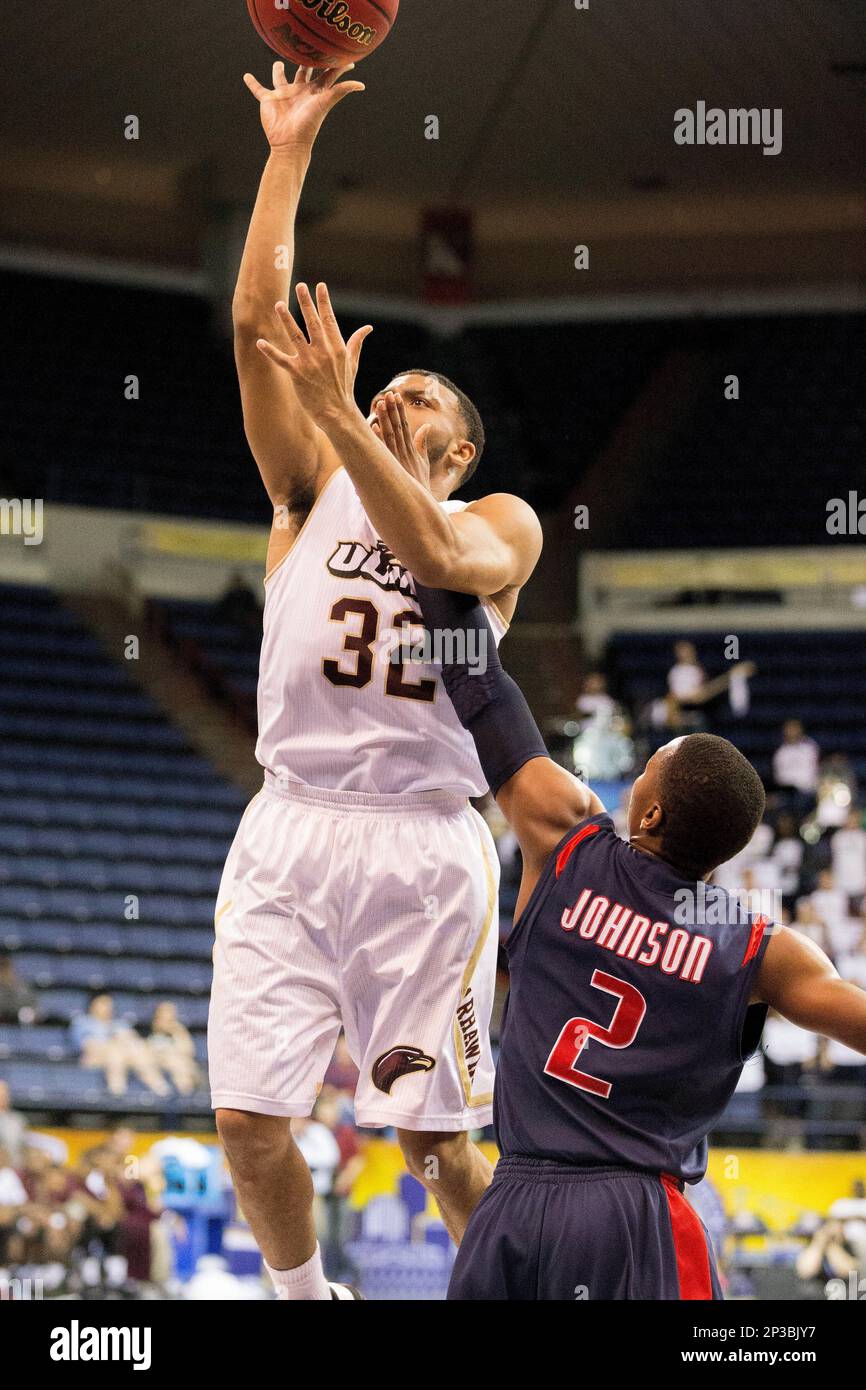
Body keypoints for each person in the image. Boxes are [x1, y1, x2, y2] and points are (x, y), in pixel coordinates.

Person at [211, 60, 543, 1301]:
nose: (388, 400)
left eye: (417, 403)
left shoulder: (499, 523)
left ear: (457, 449)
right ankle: (307, 1303)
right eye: (382, 387)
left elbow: (440, 553)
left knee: (436, 1148)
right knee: (249, 1123)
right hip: (290, 824)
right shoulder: (305, 488)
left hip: (420, 844)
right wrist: (287, 149)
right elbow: (255, 328)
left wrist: (355, 417)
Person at [411, 581, 866, 1299]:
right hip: (635, 1218)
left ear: (649, 810)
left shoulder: (565, 842)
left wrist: (423, 565)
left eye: (654, 759)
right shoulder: (756, 949)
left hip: (516, 1202)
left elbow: (483, 687)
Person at [70, 996, 169, 1098]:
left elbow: (135, 1042)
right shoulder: (83, 1022)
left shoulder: (119, 1023)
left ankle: (161, 1090)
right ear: (93, 1005)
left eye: (110, 1004)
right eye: (103, 1004)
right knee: (116, 1051)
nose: (108, 1007)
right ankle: (117, 1095)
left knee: (135, 1049)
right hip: (94, 1059)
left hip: (124, 1058)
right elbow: (90, 1047)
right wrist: (115, 1042)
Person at [147, 1002, 200, 1096]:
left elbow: (189, 1052)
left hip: (185, 1069)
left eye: (171, 1019)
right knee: (176, 1063)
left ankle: (186, 1097)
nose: (168, 1021)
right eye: (164, 1018)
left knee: (182, 1065)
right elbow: (151, 1056)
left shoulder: (179, 1033)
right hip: (162, 1071)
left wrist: (178, 1031)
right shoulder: (153, 1037)